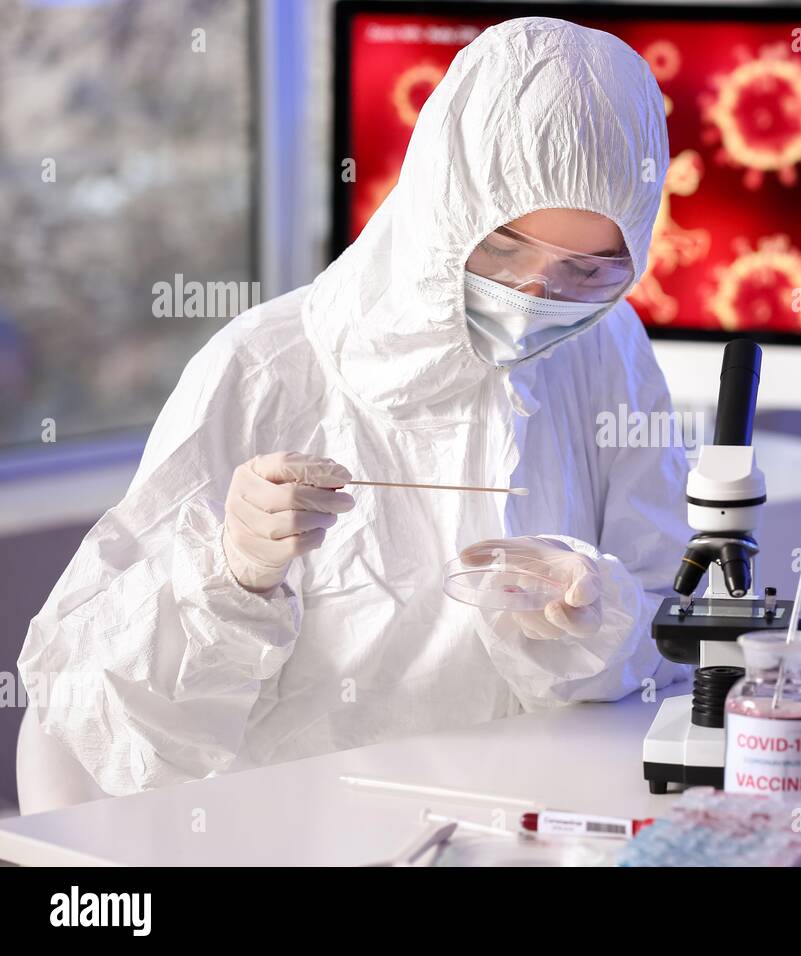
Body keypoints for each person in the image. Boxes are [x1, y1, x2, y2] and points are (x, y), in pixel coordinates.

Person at [17, 17, 689, 800]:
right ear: (448, 202)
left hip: (531, 822)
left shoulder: (606, 350)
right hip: (295, 832)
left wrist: (589, 621)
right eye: (507, 250)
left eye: (587, 270)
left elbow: (672, 640)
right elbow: (110, 719)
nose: (538, 295)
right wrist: (233, 575)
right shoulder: (262, 368)